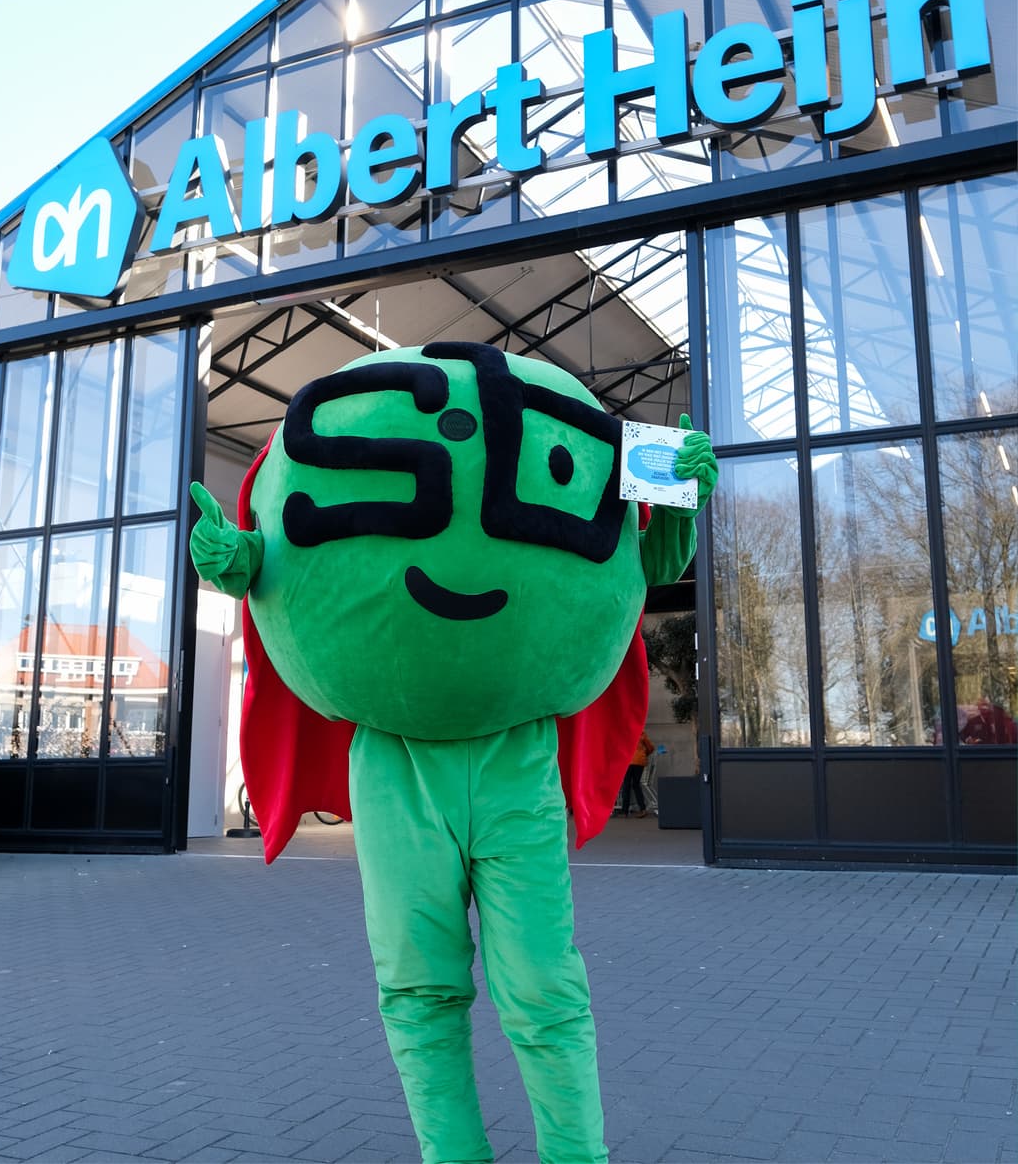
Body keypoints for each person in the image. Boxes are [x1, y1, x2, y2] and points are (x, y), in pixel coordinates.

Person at [189, 341, 717, 1164]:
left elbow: (641, 564)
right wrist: (241, 565)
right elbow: (283, 565)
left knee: (544, 985)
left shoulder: (588, 461)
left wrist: (678, 506)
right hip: (396, 770)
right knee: (417, 987)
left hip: (518, 766)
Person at [620, 731, 655, 817]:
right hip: (639, 761)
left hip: (627, 761)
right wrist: (644, 754)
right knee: (636, 785)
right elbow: (650, 747)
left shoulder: (623, 733)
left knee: (626, 784)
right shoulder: (641, 732)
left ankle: (625, 811)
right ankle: (642, 809)